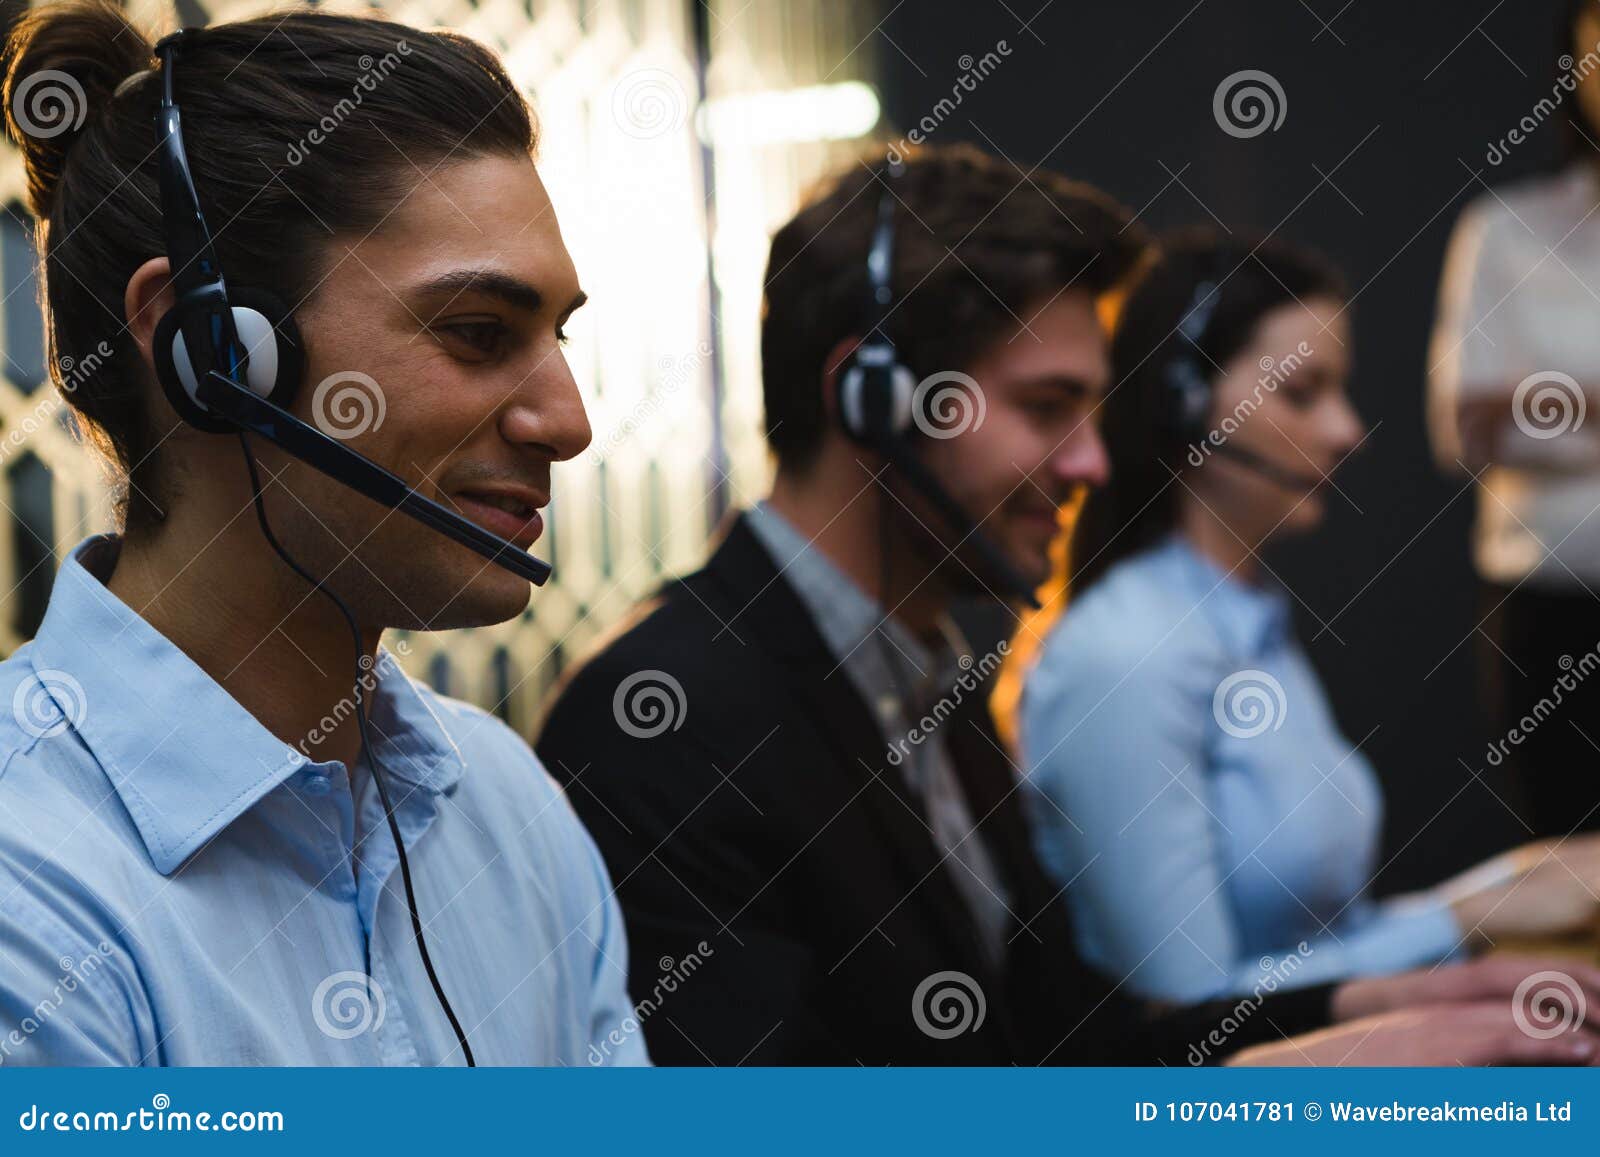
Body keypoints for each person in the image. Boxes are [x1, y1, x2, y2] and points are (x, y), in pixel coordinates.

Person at [537, 147, 1600, 1066]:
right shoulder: (667, 716)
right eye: (1046, 408)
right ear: (866, 396)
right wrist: (1300, 1084)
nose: (1093, 459)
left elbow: (1062, 1045)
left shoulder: (921, 681)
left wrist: (1363, 1008)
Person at [0, 2, 644, 1066]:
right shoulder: (31, 880)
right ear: (212, 349)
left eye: (556, 335)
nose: (568, 422)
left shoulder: (511, 808)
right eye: (479, 332)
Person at [1019, 232, 1600, 1007]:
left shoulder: (1242, 621)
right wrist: (1468, 918)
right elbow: (1192, 1012)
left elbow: (1319, 943)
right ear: (1185, 405)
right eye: (1301, 392)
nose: (1345, 430)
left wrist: (1512, 886)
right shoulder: (1128, 654)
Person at [1428, 0, 1600, 837]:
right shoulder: (1505, 230)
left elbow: (1505, 413)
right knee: (1561, 857)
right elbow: (1464, 429)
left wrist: (1548, 395)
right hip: (1544, 601)